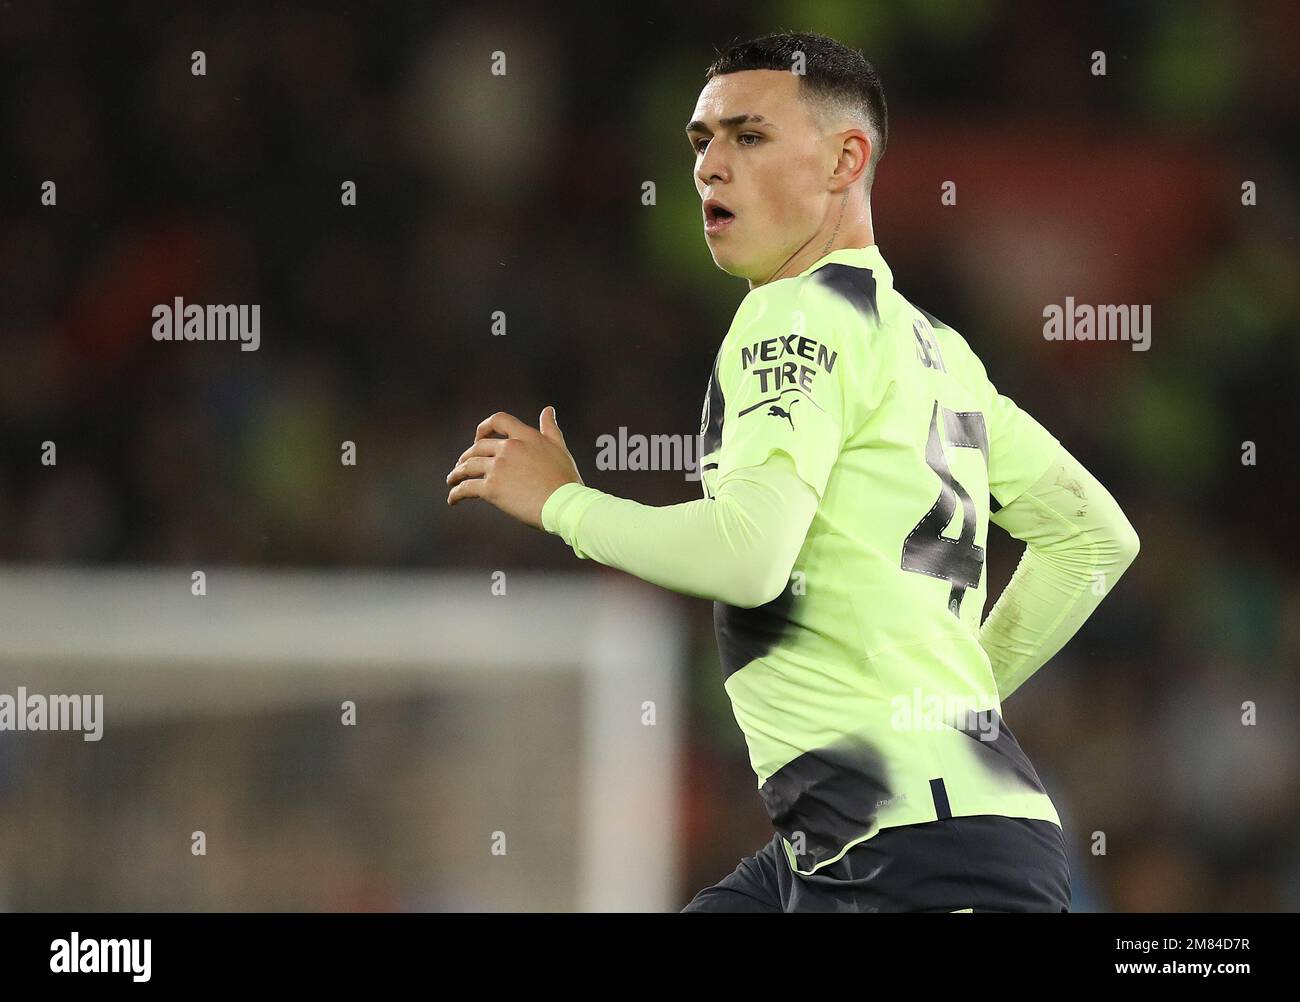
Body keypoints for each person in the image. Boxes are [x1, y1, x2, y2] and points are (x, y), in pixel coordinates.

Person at [445, 31, 1140, 913]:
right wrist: (950, 712)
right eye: (701, 142)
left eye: (749, 136)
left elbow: (749, 554)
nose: (709, 168)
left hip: (915, 857)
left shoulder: (790, 317)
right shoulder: (938, 351)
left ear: (847, 158)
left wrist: (565, 505)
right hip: (884, 835)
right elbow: (1092, 539)